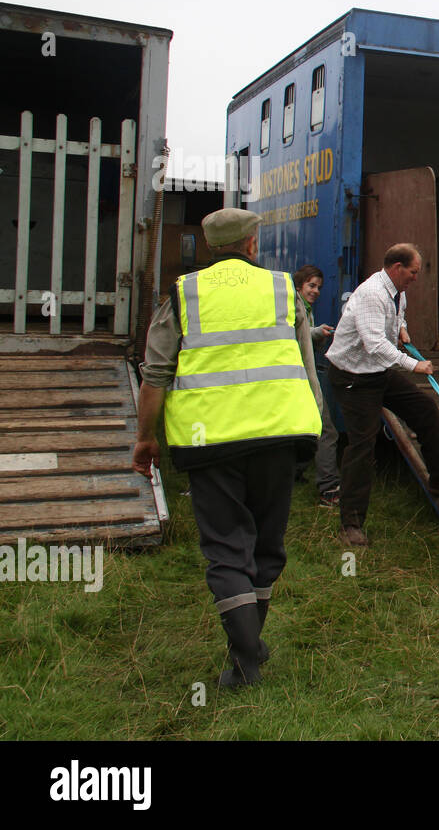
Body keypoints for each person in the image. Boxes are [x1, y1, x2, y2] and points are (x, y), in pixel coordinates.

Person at [133, 208, 322, 688]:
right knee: (265, 545)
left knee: (225, 550)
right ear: (253, 244)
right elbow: (306, 367)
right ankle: (249, 650)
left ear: (210, 245)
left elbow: (155, 374)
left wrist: (145, 438)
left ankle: (245, 662)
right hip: (279, 437)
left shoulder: (182, 294)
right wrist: (314, 427)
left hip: (210, 442)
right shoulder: (284, 290)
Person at [326, 243, 439, 546]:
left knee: (425, 409)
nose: (415, 278)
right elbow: (374, 344)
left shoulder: (397, 290)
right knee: (363, 444)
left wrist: (402, 329)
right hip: (353, 378)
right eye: (412, 272)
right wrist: (415, 365)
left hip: (377, 371)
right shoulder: (372, 294)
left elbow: (394, 319)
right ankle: (351, 525)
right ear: (397, 268)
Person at [293, 264, 341, 505]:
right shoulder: (294, 308)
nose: (316, 291)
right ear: (299, 285)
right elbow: (293, 337)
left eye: (319, 287)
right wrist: (315, 333)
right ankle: (329, 488)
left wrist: (317, 336)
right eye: (311, 285)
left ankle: (293, 472)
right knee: (327, 431)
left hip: (298, 379)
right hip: (298, 380)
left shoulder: (306, 308)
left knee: (302, 429)